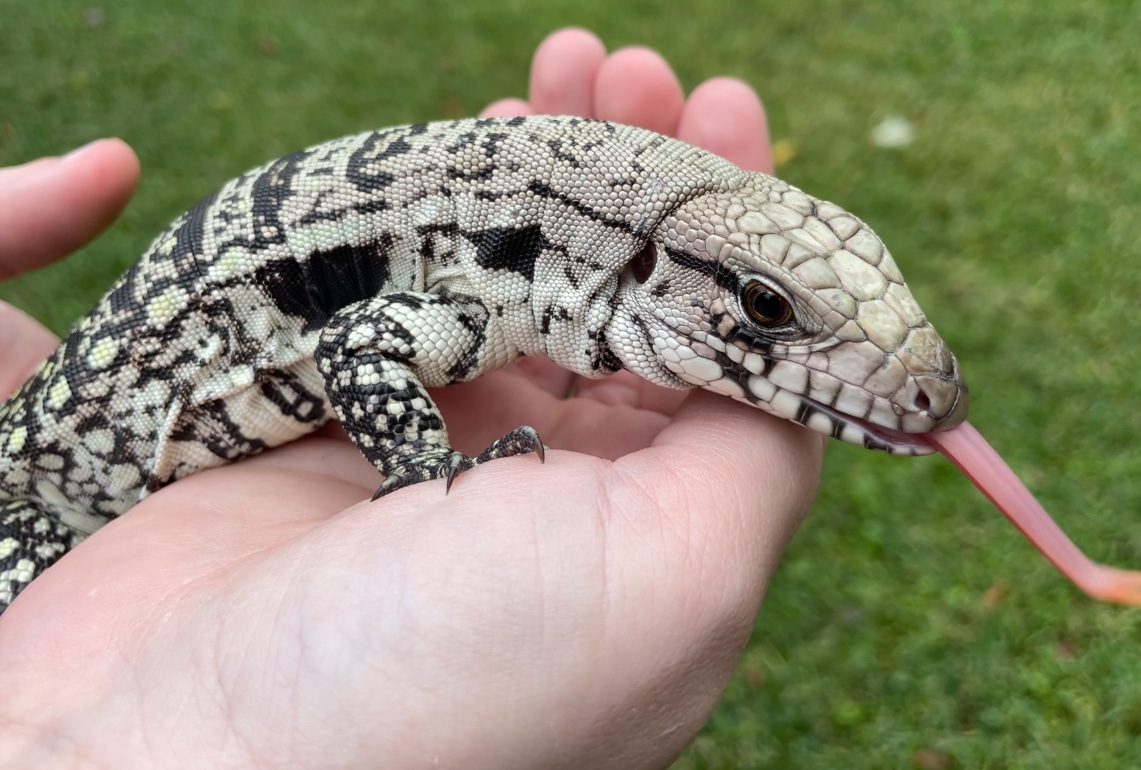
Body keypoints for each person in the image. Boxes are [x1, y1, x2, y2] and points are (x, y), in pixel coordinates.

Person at [0, 28, 822, 768]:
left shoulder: (500, 273)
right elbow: (357, 347)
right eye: (767, 311)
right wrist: (422, 467)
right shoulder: (483, 292)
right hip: (39, 512)